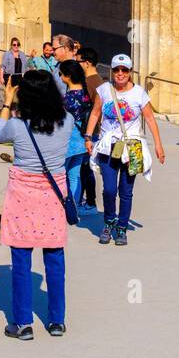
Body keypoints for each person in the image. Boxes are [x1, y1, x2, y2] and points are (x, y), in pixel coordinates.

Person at [0, 70, 75, 339]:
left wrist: (8, 101)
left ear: (23, 94)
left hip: (23, 195)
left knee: (21, 259)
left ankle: (23, 323)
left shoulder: (17, 125)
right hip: (53, 195)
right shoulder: (68, 121)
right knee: (54, 259)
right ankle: (56, 321)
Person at [86, 53, 166, 247]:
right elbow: (96, 112)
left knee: (126, 191)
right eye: (116, 70)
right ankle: (109, 222)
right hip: (108, 146)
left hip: (133, 146)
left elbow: (149, 119)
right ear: (112, 71)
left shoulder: (139, 93)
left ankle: (121, 228)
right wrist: (88, 137)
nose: (120, 74)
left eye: (124, 70)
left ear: (130, 72)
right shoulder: (104, 89)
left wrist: (158, 144)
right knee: (109, 190)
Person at [58, 59, 95, 212]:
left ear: (67, 76)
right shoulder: (86, 95)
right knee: (75, 176)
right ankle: (74, 207)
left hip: (67, 141)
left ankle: (62, 207)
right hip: (82, 140)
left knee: (62, 176)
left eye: (60, 74)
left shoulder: (67, 99)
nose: (59, 77)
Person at [75, 47, 104, 207]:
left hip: (89, 131)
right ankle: (89, 200)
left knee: (85, 167)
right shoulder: (97, 79)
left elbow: (97, 109)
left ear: (86, 63)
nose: (77, 64)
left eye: (78, 61)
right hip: (92, 130)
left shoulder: (90, 81)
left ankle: (89, 201)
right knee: (86, 167)